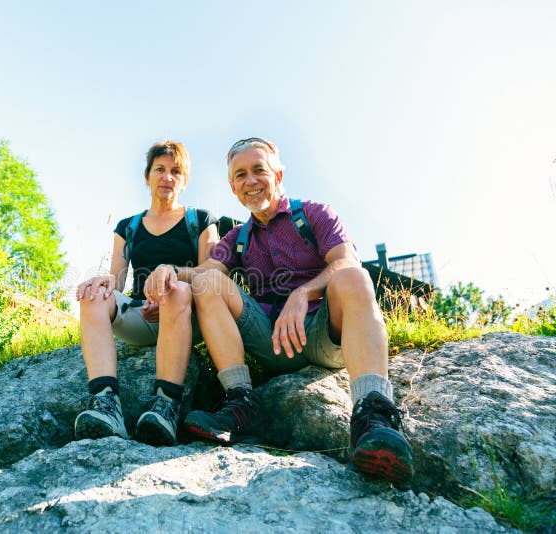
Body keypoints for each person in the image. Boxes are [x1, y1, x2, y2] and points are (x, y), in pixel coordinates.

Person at [143, 137, 413, 484]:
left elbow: (345, 260)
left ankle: (373, 415)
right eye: (241, 175)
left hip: (321, 333)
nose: (251, 181)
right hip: (268, 338)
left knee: (354, 277)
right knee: (207, 283)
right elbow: (205, 272)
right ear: (233, 186)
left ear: (278, 174)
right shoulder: (238, 237)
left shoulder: (315, 214)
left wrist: (304, 293)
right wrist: (171, 270)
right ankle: (240, 401)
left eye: (259, 170)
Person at [74, 140, 219, 447]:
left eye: (176, 171)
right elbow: (117, 280)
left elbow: (213, 274)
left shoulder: (202, 220)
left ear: (185, 179)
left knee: (177, 291)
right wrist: (101, 281)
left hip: (183, 313)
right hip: (141, 314)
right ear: (147, 176)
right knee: (94, 295)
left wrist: (170, 291)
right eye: (160, 169)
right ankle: (106, 403)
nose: (167, 177)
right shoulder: (128, 227)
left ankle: (166, 407)